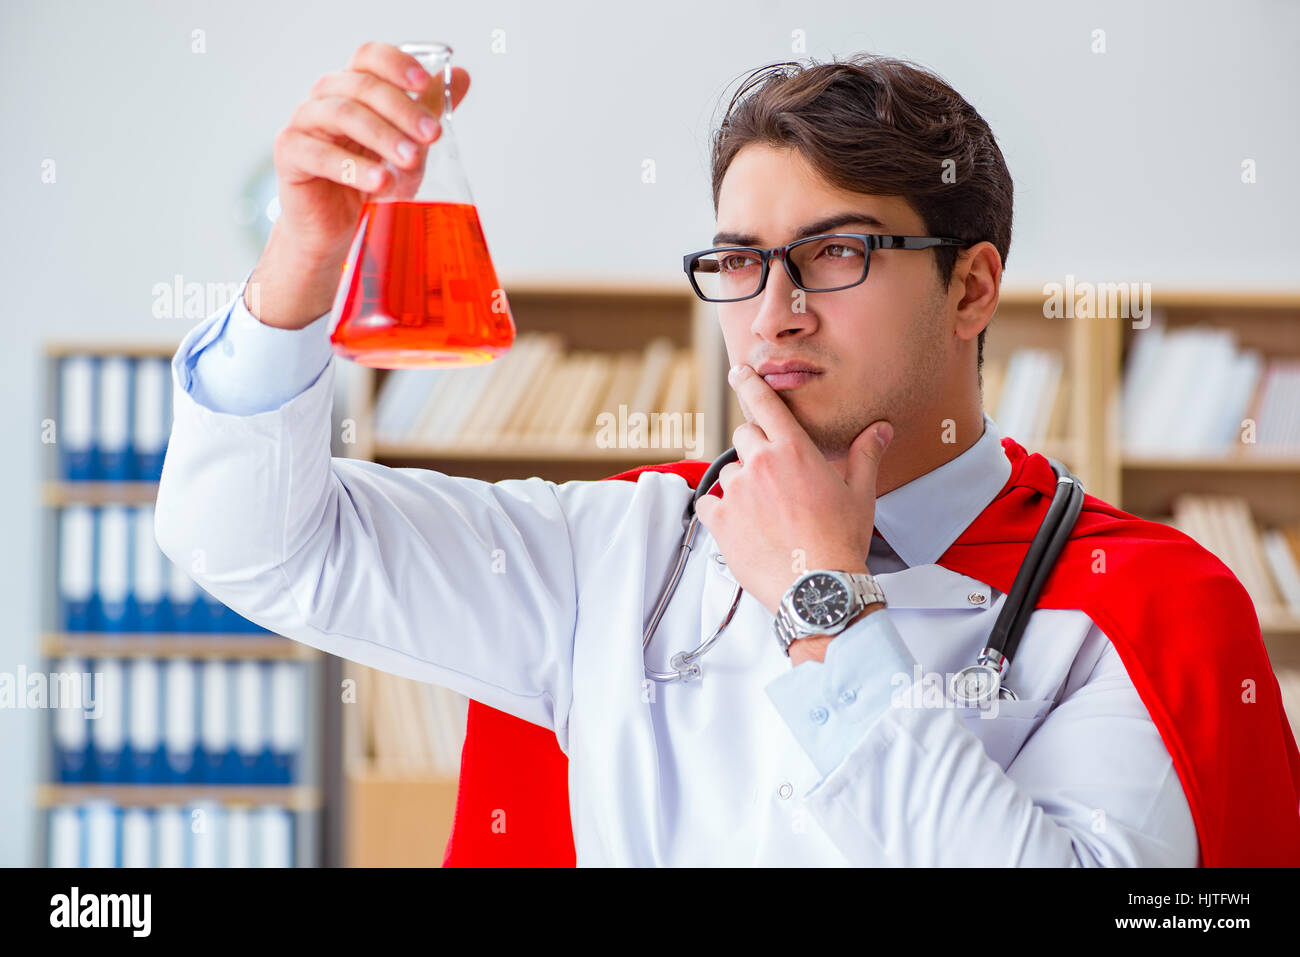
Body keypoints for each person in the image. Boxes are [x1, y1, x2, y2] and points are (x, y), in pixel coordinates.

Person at [154, 42, 1300, 866]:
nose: (775, 311)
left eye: (836, 252)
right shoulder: (620, 551)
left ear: (971, 286)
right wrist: (305, 253)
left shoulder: (1150, 606)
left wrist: (824, 605)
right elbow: (255, 543)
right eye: (740, 261)